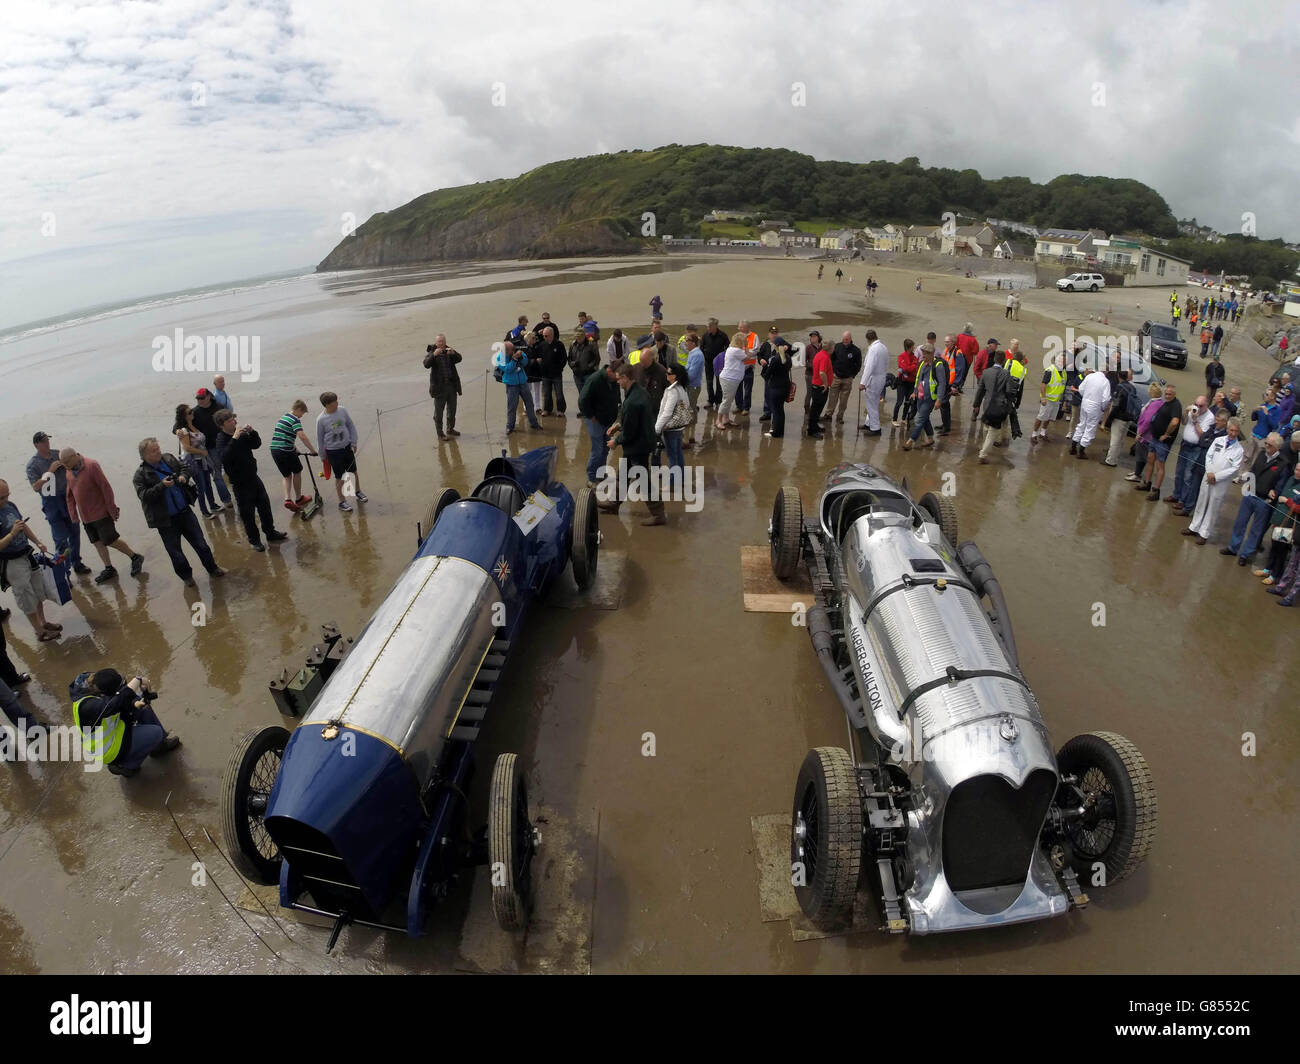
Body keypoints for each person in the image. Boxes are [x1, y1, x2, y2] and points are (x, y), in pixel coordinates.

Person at [132, 438, 226, 587]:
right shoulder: (141, 475)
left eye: (158, 448)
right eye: (154, 451)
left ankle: (213, 568)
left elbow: (184, 467)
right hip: (166, 521)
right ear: (144, 455)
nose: (158, 452)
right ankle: (187, 578)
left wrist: (184, 476)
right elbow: (144, 496)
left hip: (185, 512)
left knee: (201, 544)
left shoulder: (168, 458)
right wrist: (162, 486)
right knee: (175, 553)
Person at [72, 669, 181, 777]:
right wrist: (137, 680)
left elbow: (121, 697)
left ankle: (159, 746)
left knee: (142, 707)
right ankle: (127, 766)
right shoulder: (87, 707)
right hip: (108, 749)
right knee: (155, 733)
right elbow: (114, 702)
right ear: (104, 692)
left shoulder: (94, 682)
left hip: (114, 729)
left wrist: (134, 703)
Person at [60, 447, 145, 584]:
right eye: (62, 463)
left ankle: (135, 557)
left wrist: (112, 508)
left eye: (65, 462)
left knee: (111, 540)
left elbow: (105, 487)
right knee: (97, 543)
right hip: (85, 517)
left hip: (100, 513)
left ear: (74, 456)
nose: (64, 465)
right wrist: (73, 514)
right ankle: (109, 568)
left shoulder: (91, 465)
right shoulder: (68, 472)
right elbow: (70, 496)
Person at [214, 410, 288, 551]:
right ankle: (255, 541)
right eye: (229, 421)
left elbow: (256, 444)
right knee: (247, 514)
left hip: (253, 477)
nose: (234, 422)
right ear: (222, 425)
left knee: (265, 507)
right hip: (240, 484)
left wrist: (252, 432)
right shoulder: (221, 439)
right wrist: (234, 438)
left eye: (233, 419)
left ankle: (270, 533)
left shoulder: (240, 434)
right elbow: (224, 457)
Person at [601, 365, 665, 526]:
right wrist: (618, 424)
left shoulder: (633, 401)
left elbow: (630, 431)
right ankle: (614, 503)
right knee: (623, 474)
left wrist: (615, 442)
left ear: (626, 378)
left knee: (643, 479)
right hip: (641, 442)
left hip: (639, 446)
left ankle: (658, 514)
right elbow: (632, 420)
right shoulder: (639, 392)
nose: (617, 382)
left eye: (618, 379)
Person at [0, 480, 64, 642]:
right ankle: (39, 631)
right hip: (11, 562)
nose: (6, 500)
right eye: (2, 498)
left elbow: (23, 526)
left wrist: (37, 542)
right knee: (25, 596)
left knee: (37, 591)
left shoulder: (10, 506)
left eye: (7, 495)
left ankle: (43, 623)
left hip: (26, 554)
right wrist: (12, 534)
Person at [26, 432, 92, 576]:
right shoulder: (33, 464)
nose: (47, 443)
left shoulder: (58, 454)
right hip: (51, 503)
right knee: (61, 540)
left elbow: (75, 466)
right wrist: (49, 471)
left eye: (47, 440)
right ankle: (64, 572)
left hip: (67, 498)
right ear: (36, 445)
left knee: (75, 532)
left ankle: (77, 563)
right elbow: (36, 487)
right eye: (43, 442)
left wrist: (74, 461)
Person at [1222, 432, 1286, 566]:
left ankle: (1246, 554)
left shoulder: (1283, 464)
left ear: (1277, 447)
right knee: (1240, 523)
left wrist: (1275, 492)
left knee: (1256, 529)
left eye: (1270, 445)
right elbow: (1253, 470)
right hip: (1250, 494)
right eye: (1266, 443)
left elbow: (1281, 483)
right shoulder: (1262, 454)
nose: (1266, 446)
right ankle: (1233, 547)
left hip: (1264, 501)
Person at [1184, 417, 1245, 545]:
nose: (1233, 433)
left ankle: (1204, 533)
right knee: (1201, 501)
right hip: (1208, 475)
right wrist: (1210, 472)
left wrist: (1216, 477)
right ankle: (1194, 527)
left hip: (1220, 482)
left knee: (1213, 507)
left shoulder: (1239, 450)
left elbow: (1234, 469)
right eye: (1231, 430)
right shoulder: (1218, 440)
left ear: (1238, 432)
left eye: (1235, 431)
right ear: (1227, 429)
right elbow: (1209, 456)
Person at [315, 392, 367, 512]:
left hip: (347, 447)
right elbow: (319, 438)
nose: (337, 403)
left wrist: (354, 442)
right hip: (333, 452)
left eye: (337, 401)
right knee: (340, 477)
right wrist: (322, 456)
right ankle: (342, 501)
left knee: (353, 471)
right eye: (334, 402)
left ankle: (358, 492)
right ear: (327, 405)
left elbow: (350, 425)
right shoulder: (321, 419)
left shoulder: (342, 410)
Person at [172, 405, 224, 518]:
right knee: (201, 487)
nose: (192, 413)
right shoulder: (184, 430)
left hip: (203, 460)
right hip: (194, 462)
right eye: (189, 412)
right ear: (184, 416)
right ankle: (204, 512)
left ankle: (213, 505)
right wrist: (201, 452)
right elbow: (186, 447)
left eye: (191, 411)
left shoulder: (194, 424)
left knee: (208, 484)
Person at [1168, 396, 1215, 516]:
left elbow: (1203, 436)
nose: (1198, 408)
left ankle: (1183, 501)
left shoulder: (1210, 417)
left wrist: (1195, 420)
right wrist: (1186, 412)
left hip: (1196, 448)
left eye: (1201, 406)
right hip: (1185, 445)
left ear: (1206, 406)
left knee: (1188, 476)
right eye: (1196, 404)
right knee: (1179, 472)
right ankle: (1176, 494)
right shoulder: (1193, 410)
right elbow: (1183, 422)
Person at [1135, 384, 1182, 501]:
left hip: (1163, 442)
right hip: (1154, 438)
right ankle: (1147, 482)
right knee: (1150, 459)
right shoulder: (1166, 403)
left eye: (1170, 394)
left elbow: (1175, 422)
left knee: (1160, 465)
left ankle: (1156, 490)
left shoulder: (1176, 405)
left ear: (1174, 394)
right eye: (1166, 393)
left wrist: (1166, 434)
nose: (1167, 396)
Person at [190, 389, 235, 508]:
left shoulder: (218, 407)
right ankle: (226, 500)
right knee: (217, 475)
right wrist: (178, 431)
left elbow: (230, 419)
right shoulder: (194, 412)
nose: (199, 400)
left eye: (202, 398)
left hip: (225, 443)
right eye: (198, 398)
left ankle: (239, 491)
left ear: (209, 396)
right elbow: (180, 423)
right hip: (209, 448)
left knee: (233, 469)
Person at [269, 400, 318, 510]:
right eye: (302, 413)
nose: (301, 416)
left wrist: (296, 449)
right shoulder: (295, 419)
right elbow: (302, 435)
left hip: (275, 450)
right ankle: (299, 498)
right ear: (299, 409)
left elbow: (285, 436)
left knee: (286, 475)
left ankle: (287, 499)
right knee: (297, 471)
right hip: (285, 450)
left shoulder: (283, 418)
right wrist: (312, 450)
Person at [579, 363, 621, 486]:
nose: (618, 379)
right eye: (616, 376)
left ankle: (601, 473)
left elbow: (617, 398)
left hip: (607, 420)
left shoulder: (613, 381)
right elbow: (582, 399)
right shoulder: (595, 380)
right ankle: (591, 478)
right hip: (595, 421)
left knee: (606, 448)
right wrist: (590, 415)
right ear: (609, 371)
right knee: (597, 450)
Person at [904, 345, 947, 450]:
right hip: (920, 397)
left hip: (930, 398)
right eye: (922, 353)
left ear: (931, 354)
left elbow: (942, 384)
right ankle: (930, 438)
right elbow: (918, 379)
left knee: (920, 419)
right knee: (925, 418)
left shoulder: (938, 366)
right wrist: (914, 392)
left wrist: (939, 400)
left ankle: (910, 441)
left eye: (925, 353)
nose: (923, 355)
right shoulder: (922, 364)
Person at [974, 354, 1013, 463]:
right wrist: (1009, 405)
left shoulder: (986, 372)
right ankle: (983, 454)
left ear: (995, 360)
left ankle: (984, 448)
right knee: (993, 431)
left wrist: (976, 404)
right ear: (1004, 361)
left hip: (987, 404)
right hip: (999, 405)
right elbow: (1009, 391)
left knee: (986, 426)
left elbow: (980, 390)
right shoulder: (1006, 373)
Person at [423, 335, 463, 441]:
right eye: (439, 341)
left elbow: (460, 359)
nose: (441, 343)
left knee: (452, 410)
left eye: (442, 341)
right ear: (436, 343)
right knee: (439, 412)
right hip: (439, 389)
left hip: (451, 386)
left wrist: (453, 353)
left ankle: (450, 429)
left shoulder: (449, 351)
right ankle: (440, 434)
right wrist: (433, 355)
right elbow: (426, 364)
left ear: (445, 342)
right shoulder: (432, 353)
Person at [497, 341, 541, 435]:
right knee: (512, 407)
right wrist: (514, 359)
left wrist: (520, 356)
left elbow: (525, 362)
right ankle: (510, 427)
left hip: (523, 382)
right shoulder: (500, 357)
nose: (513, 351)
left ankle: (534, 424)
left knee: (529, 403)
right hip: (511, 384)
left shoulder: (518, 351)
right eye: (510, 350)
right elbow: (508, 369)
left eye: (513, 349)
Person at [1069, 367, 1112, 460]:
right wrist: (1103, 407)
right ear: (1107, 371)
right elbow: (1106, 398)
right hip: (1095, 405)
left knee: (1082, 424)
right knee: (1090, 427)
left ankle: (1073, 446)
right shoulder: (1105, 382)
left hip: (1085, 402)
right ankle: (1081, 450)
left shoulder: (1090, 376)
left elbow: (1081, 389)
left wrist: (1086, 396)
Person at [657, 362, 691, 468]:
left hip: (670, 428)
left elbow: (667, 413)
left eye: (668, 373)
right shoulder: (682, 388)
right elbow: (687, 405)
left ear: (674, 376)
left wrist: (657, 428)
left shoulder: (672, 391)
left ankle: (674, 482)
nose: (666, 374)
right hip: (679, 426)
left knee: (672, 456)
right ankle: (680, 477)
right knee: (678, 453)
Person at [1102, 369, 1138, 465]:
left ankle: (1110, 461)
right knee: (1121, 439)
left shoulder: (1119, 387)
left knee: (1115, 440)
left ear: (1118, 376)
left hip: (1119, 418)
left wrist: (1109, 420)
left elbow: (1116, 406)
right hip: (1129, 417)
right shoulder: (1132, 387)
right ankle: (1115, 459)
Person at [826, 331, 862, 425]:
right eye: (843, 339)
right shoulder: (837, 346)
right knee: (832, 398)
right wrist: (833, 371)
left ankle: (840, 417)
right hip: (836, 377)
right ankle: (828, 415)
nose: (845, 341)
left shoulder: (856, 351)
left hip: (847, 379)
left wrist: (852, 375)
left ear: (850, 339)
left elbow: (858, 365)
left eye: (846, 339)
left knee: (843, 401)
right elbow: (831, 359)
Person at [760, 338, 792, 439]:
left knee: (776, 410)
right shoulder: (787, 357)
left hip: (775, 388)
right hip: (785, 386)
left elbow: (766, 375)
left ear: (776, 347)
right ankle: (780, 430)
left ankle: (775, 433)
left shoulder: (776, 359)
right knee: (780, 410)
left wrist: (765, 369)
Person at [716, 333, 749, 429]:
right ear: (740, 342)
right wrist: (746, 347)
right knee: (726, 400)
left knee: (728, 400)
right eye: (744, 341)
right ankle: (719, 420)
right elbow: (748, 357)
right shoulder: (736, 350)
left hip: (730, 378)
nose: (745, 342)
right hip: (729, 378)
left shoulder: (732, 349)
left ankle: (725, 419)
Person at [1033, 351, 1067, 443]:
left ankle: (1043, 433)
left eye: (1064, 361)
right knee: (1041, 417)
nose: (1063, 363)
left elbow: (1062, 386)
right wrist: (1043, 398)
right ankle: (1034, 434)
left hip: (1056, 400)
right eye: (1061, 361)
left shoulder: (1064, 372)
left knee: (1049, 418)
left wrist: (1063, 400)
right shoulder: (1050, 370)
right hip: (1047, 399)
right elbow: (1043, 384)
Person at [757, 325, 787, 422]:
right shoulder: (765, 344)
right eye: (772, 333)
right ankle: (767, 412)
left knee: (776, 395)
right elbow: (759, 354)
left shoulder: (781, 343)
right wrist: (760, 359)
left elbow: (794, 349)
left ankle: (775, 412)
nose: (774, 335)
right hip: (767, 373)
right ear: (769, 334)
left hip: (777, 375)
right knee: (767, 393)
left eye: (775, 333)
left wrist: (787, 347)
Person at [538, 325, 568, 416]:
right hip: (545, 374)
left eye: (546, 336)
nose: (544, 337)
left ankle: (561, 410)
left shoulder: (559, 344)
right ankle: (547, 409)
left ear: (551, 335)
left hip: (556, 374)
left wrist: (559, 369)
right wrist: (539, 362)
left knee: (559, 393)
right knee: (547, 394)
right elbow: (539, 356)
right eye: (543, 336)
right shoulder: (542, 345)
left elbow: (564, 359)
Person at [699, 319, 727, 409]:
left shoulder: (723, 336)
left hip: (719, 364)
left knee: (719, 383)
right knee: (709, 383)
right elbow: (701, 348)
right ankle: (710, 401)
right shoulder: (705, 336)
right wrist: (703, 358)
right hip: (708, 363)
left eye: (709, 326)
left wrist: (723, 358)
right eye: (707, 326)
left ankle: (718, 401)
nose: (708, 328)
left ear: (715, 326)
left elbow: (728, 348)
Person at [807, 341, 832, 439]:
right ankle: (811, 430)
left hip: (816, 386)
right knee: (816, 409)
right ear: (830, 349)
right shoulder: (824, 357)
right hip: (820, 387)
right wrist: (826, 384)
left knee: (816, 409)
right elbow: (822, 372)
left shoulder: (819, 354)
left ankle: (814, 427)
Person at [892, 339, 918, 427]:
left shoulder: (915, 358)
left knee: (908, 401)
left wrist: (907, 369)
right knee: (899, 401)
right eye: (913, 346)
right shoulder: (901, 356)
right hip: (901, 382)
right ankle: (894, 419)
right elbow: (904, 368)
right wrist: (909, 368)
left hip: (911, 382)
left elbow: (914, 369)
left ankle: (903, 419)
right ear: (909, 347)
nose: (914, 348)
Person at [683, 335, 704, 445]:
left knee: (689, 410)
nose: (685, 343)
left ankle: (687, 439)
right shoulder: (693, 353)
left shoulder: (696, 354)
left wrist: (681, 378)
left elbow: (692, 374)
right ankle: (691, 436)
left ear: (693, 343)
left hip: (693, 386)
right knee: (692, 409)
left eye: (687, 341)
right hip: (693, 386)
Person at [569, 329, 601, 397]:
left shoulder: (592, 344)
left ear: (584, 336)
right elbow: (569, 358)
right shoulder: (572, 345)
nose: (578, 338)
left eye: (580, 337)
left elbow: (597, 359)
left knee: (590, 394)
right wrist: (573, 365)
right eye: (577, 337)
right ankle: (584, 407)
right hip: (577, 374)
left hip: (588, 374)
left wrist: (589, 367)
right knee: (582, 395)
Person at [954, 323, 979, 394]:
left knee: (958, 371)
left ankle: (955, 385)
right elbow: (975, 351)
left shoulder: (959, 336)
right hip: (968, 358)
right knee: (964, 373)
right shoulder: (973, 339)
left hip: (958, 357)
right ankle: (960, 386)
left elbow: (955, 345)